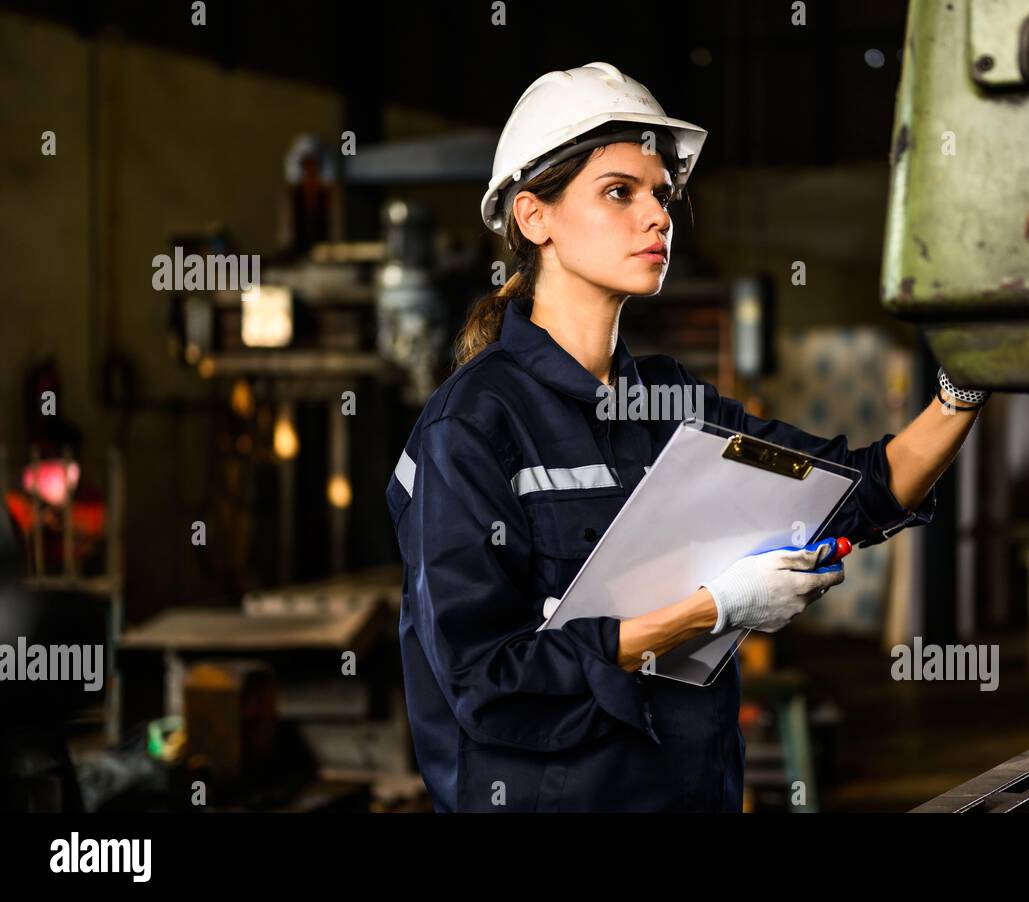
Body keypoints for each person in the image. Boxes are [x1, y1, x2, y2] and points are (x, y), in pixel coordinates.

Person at [386, 61, 984, 812]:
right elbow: (487, 680)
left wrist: (968, 382)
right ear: (534, 217)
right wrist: (714, 609)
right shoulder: (470, 428)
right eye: (619, 192)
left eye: (662, 196)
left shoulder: (673, 406)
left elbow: (862, 489)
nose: (657, 216)